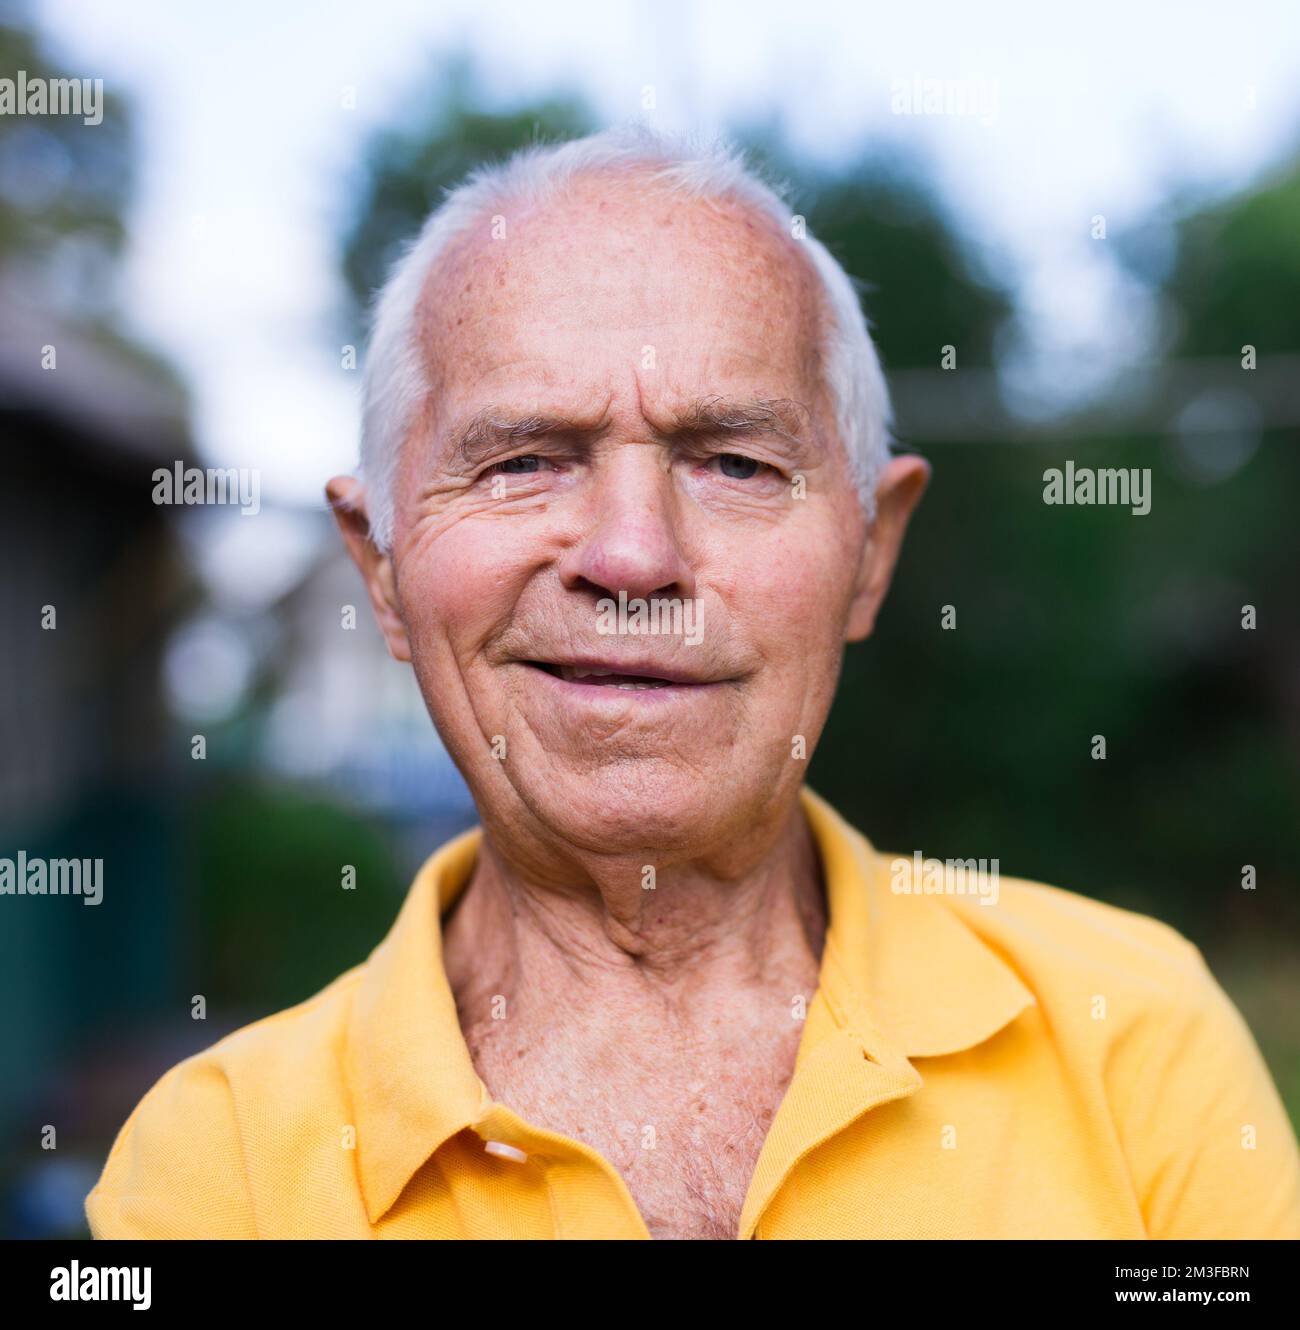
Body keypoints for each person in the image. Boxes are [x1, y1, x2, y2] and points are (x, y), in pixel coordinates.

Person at [87, 127, 1300, 1240]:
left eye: (731, 461)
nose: (631, 557)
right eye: (522, 460)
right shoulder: (217, 1171)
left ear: (870, 554)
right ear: (383, 569)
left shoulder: (1133, 1038)